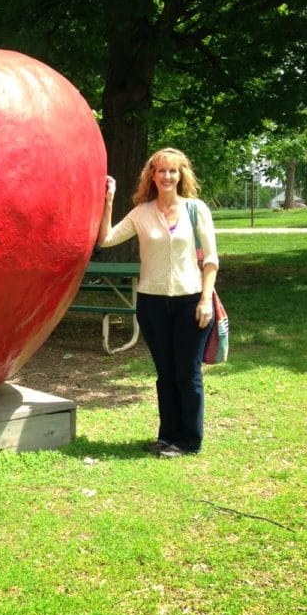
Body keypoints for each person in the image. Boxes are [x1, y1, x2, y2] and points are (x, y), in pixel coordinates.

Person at [97, 148, 219, 457]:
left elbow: (212, 261)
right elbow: (106, 239)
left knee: (187, 373)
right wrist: (109, 200)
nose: (167, 176)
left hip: (190, 301)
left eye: (173, 171)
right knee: (165, 373)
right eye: (161, 171)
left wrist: (206, 299)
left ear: (181, 175)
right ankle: (167, 437)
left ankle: (189, 441)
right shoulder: (142, 212)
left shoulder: (196, 209)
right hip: (152, 304)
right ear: (152, 176)